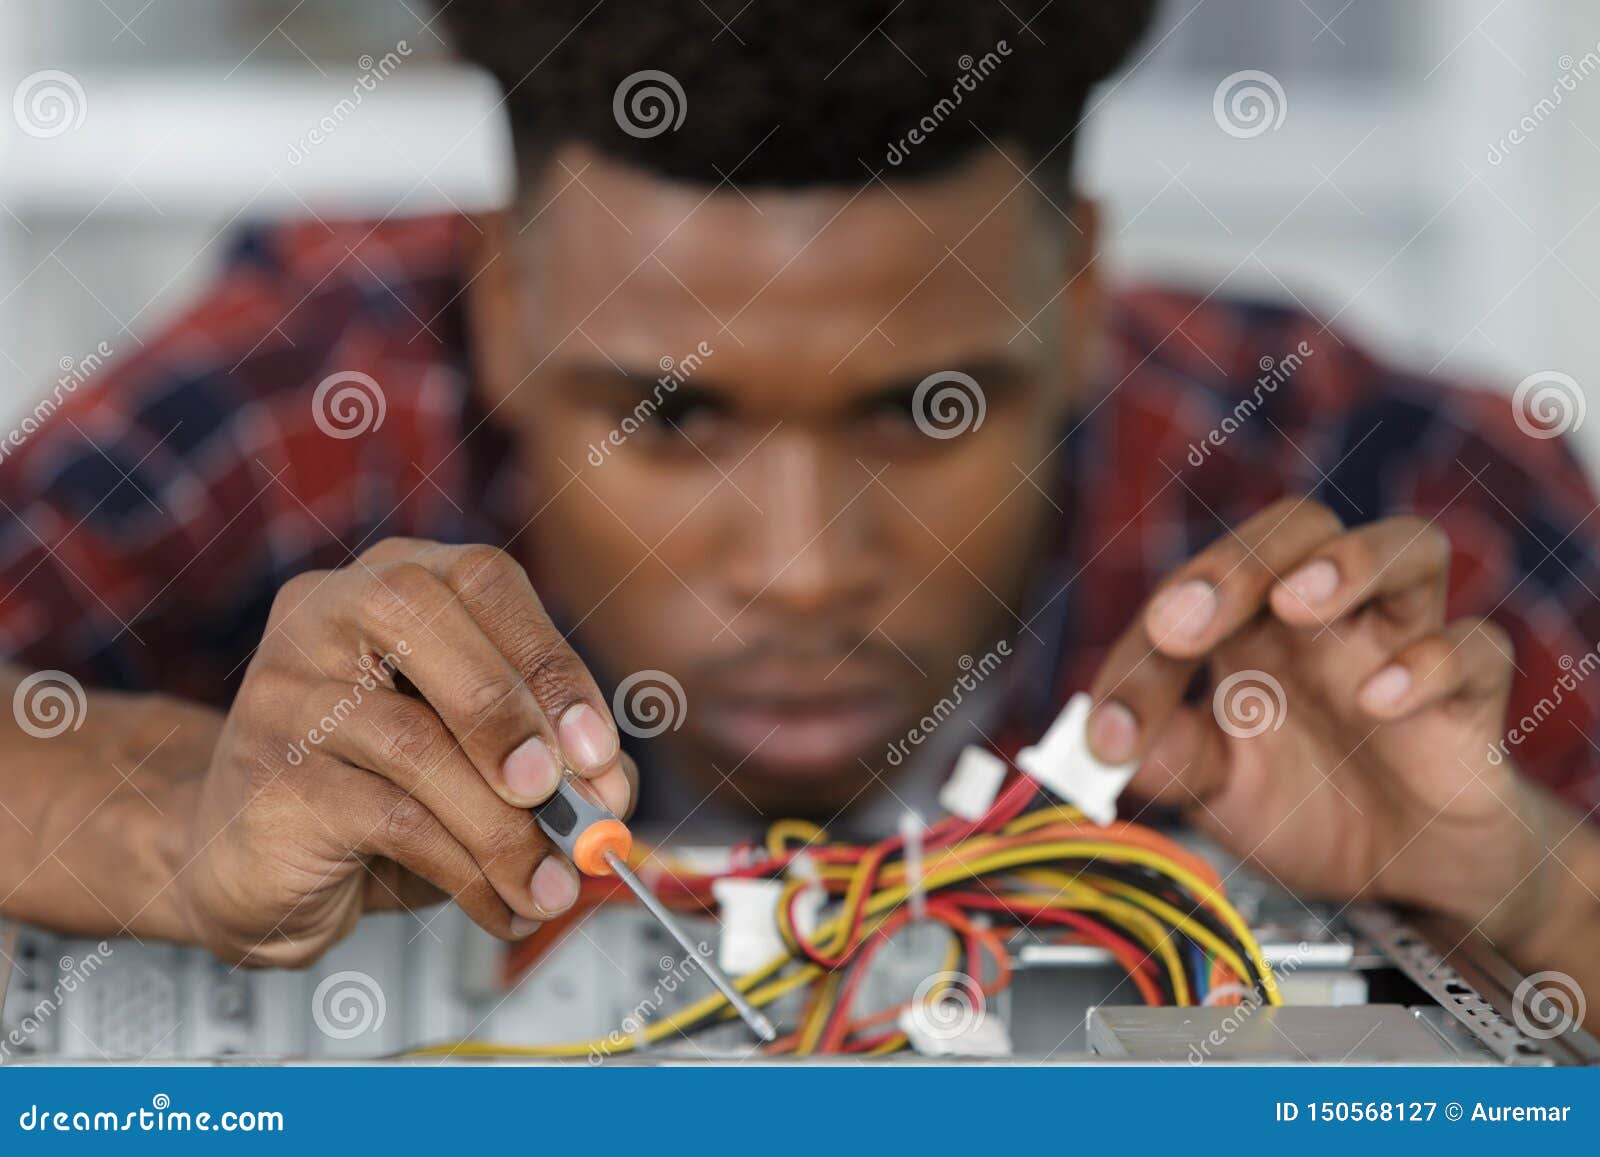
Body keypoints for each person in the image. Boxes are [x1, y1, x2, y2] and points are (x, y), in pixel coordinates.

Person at [0, 2, 1596, 1029]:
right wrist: (171, 810)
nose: (804, 566)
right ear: (489, 291)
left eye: (927, 411)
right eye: (669, 416)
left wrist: (1531, 895)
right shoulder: (303, 400)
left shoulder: (1373, 480)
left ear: (1084, 283)